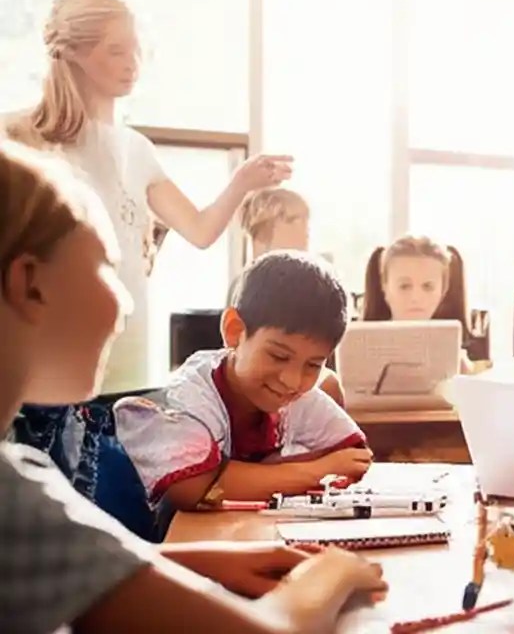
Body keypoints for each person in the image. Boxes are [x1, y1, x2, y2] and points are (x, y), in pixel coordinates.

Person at [0, 144, 385, 634]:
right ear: (29, 284)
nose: (125, 306)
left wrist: (190, 559)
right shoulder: (10, 494)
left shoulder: (15, 477)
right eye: (109, 269)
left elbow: (55, 563)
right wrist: (336, 569)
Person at [4, 0, 293, 398]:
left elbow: (199, 230)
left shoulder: (137, 149)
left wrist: (242, 181)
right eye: (115, 50)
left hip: (131, 358)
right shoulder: (17, 135)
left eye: (136, 50)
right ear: (73, 51)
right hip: (48, 363)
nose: (132, 63)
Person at [114, 251, 371, 514]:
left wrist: (247, 477)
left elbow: (354, 458)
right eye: (278, 356)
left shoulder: (292, 393)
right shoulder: (193, 393)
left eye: (313, 365)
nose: (292, 380)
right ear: (235, 331)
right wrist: (319, 470)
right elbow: (192, 488)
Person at [233, 188, 343, 406]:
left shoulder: (318, 280)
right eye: (293, 220)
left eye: (305, 221)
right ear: (263, 227)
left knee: (330, 382)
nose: (305, 229)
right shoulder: (246, 285)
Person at [361, 234, 474, 374]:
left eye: (428, 287)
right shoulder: (359, 352)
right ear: (384, 286)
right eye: (404, 286)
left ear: (443, 290)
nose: (416, 298)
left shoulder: (456, 360)